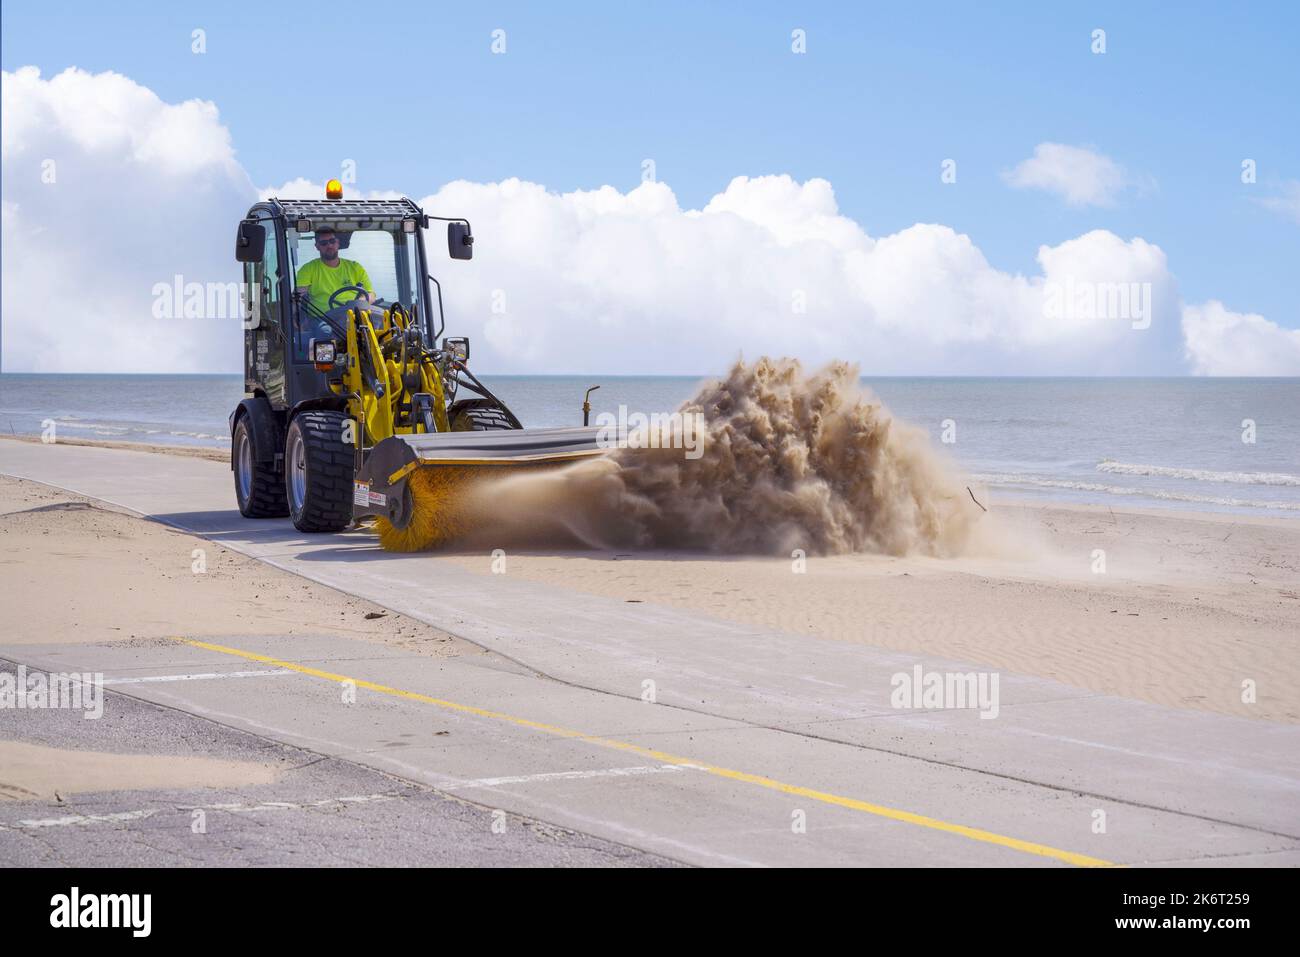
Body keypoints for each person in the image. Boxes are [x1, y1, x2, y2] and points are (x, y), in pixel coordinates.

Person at [294, 229, 374, 315]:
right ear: (317, 246)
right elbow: (298, 296)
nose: (329, 245)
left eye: (332, 241)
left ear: (338, 243)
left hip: (354, 315)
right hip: (324, 319)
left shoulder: (355, 267)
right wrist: (295, 316)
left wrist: (358, 304)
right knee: (325, 329)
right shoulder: (308, 269)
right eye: (324, 243)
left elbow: (370, 294)